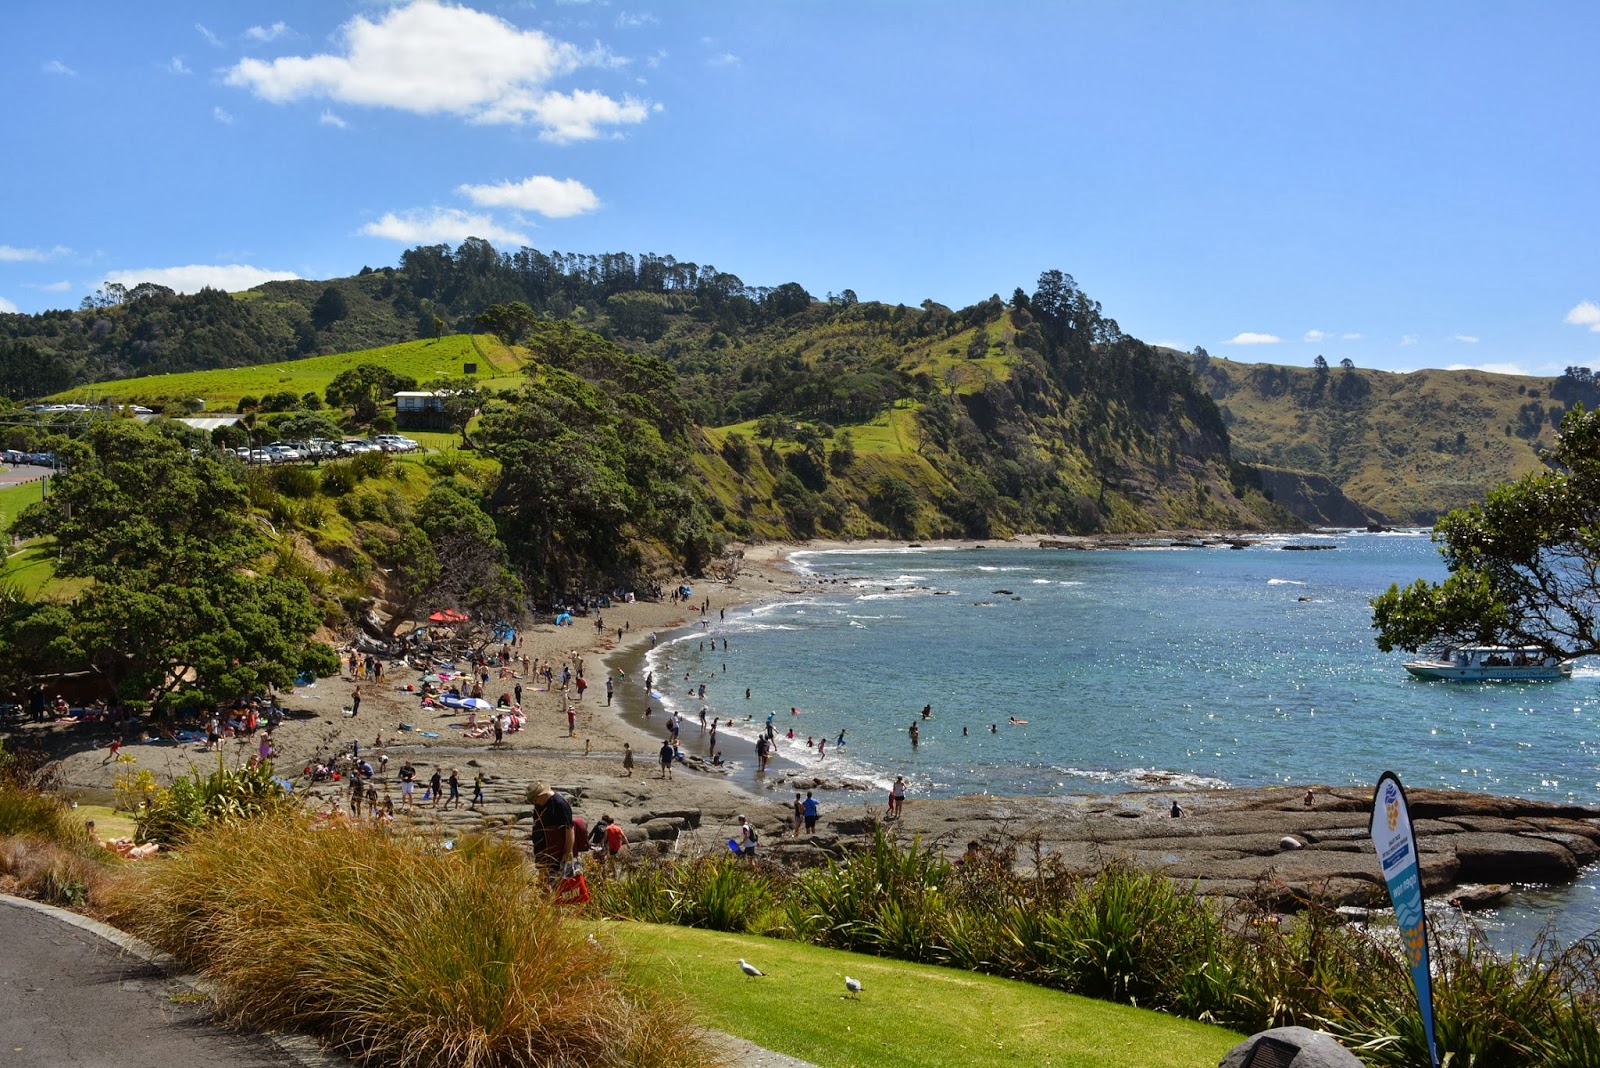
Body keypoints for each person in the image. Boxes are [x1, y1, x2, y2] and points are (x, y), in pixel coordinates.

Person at [529, 782, 576, 875]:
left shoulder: (560, 804)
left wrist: (566, 854)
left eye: (535, 798)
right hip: (541, 849)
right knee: (543, 878)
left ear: (543, 794)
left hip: (556, 851)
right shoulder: (538, 805)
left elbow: (569, 829)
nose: (534, 802)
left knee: (557, 879)